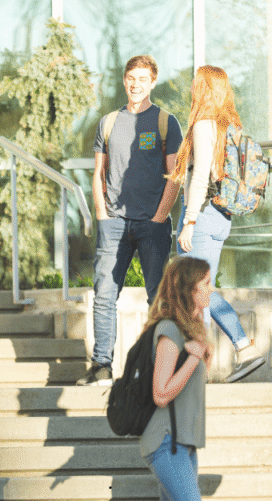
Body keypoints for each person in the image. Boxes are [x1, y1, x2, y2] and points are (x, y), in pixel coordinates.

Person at [79, 55, 184, 387]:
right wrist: (101, 213)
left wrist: (159, 216)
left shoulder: (167, 122)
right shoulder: (108, 122)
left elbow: (175, 175)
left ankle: (158, 366)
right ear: (124, 80)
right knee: (105, 294)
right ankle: (102, 365)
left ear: (152, 82)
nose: (135, 84)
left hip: (152, 226)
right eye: (130, 78)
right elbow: (98, 172)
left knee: (158, 298)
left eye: (142, 78)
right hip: (114, 225)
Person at [168, 65, 265, 383]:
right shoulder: (230, 126)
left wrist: (189, 221)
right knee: (202, 290)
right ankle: (243, 347)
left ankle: (198, 367)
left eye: (197, 85)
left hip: (205, 214)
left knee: (197, 293)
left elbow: (200, 178)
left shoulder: (204, 124)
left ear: (202, 90)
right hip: (221, 217)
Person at [141, 256, 213, 501]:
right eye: (206, 284)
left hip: (182, 442)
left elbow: (194, 385)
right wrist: (191, 359)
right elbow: (160, 393)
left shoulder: (188, 330)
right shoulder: (169, 331)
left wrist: (201, 354)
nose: (211, 290)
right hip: (167, 442)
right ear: (189, 290)